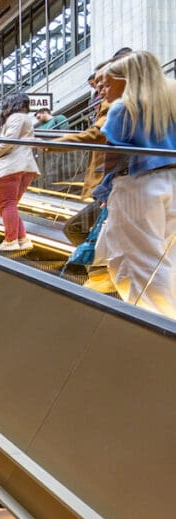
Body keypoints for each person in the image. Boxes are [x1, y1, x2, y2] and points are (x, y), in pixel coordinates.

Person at [92, 50, 176, 318]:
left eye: (109, 82)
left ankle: (156, 327)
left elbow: (113, 154)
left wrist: (103, 191)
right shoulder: (170, 102)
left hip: (137, 186)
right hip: (171, 182)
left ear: (126, 79)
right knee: (166, 259)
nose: (103, 90)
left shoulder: (122, 108)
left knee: (134, 261)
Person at [0, 93, 41, 252]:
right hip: (26, 167)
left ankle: (10, 241)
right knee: (10, 205)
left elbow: (8, 142)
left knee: (7, 204)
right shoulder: (26, 118)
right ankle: (22, 238)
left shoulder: (15, 117)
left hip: (11, 166)